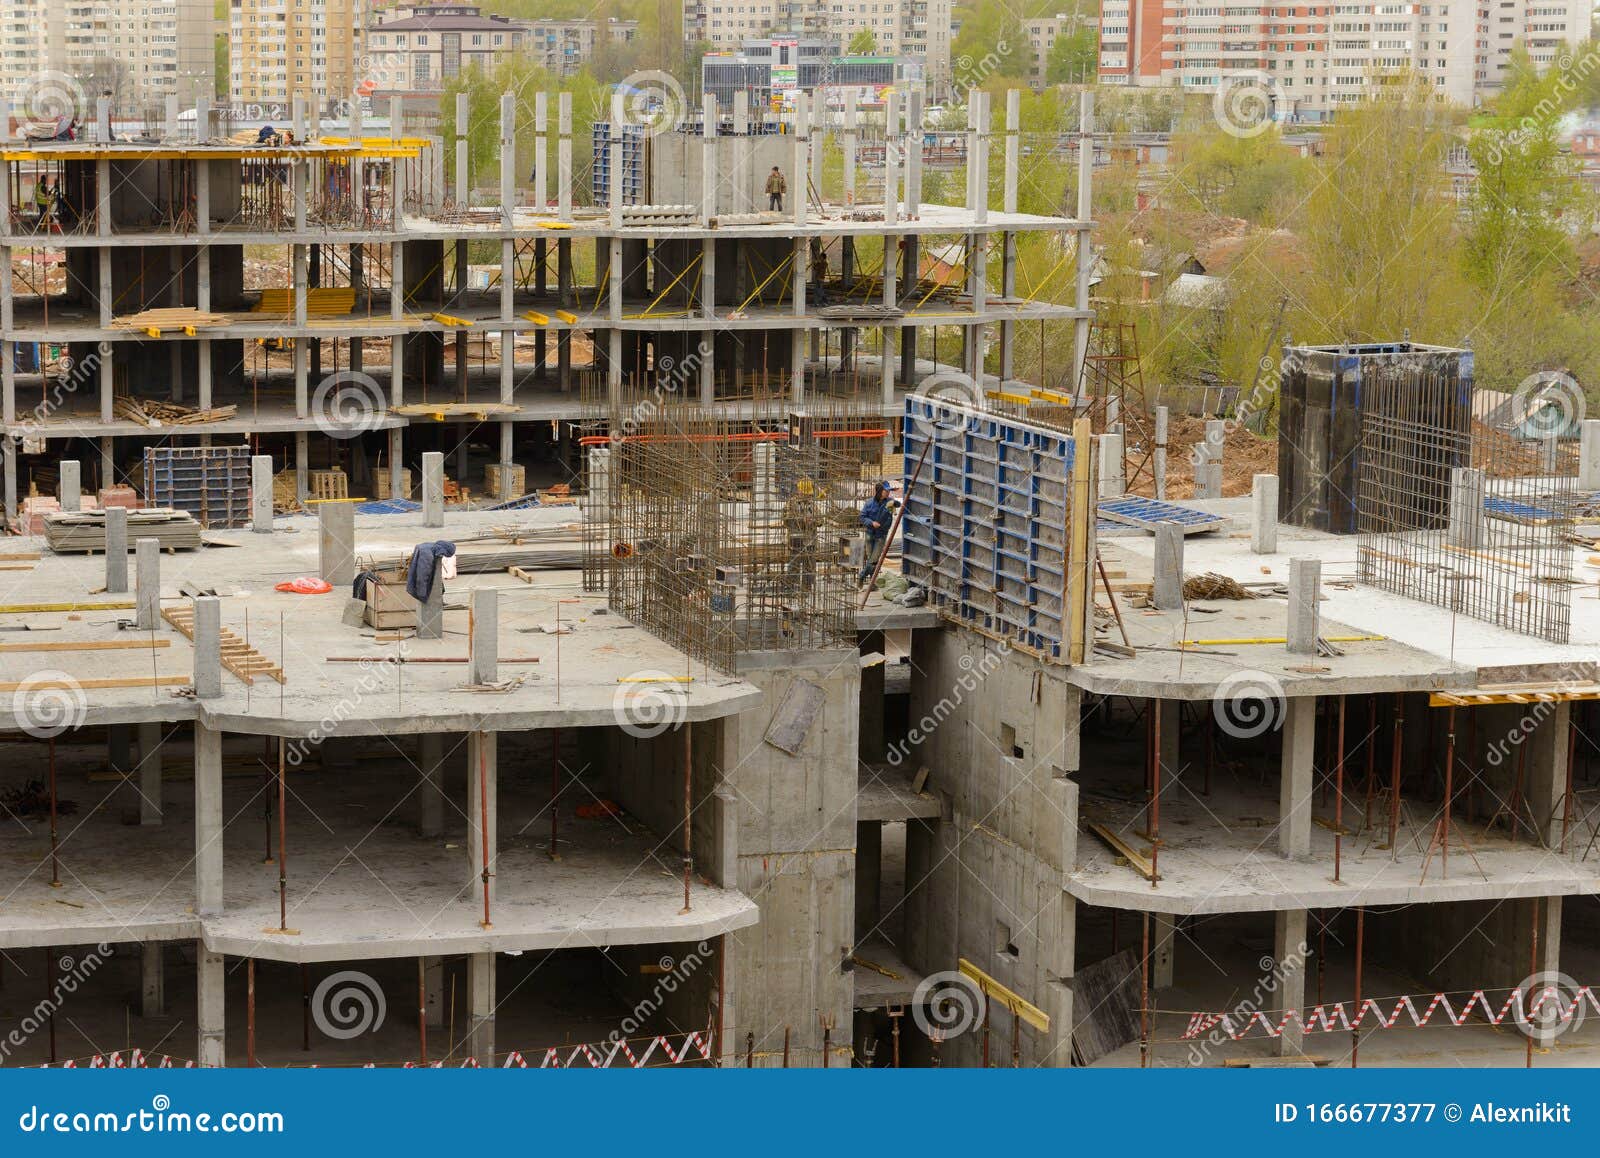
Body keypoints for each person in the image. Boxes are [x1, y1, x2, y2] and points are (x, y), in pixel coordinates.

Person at [858, 481, 898, 587]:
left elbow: (894, 510)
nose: (888, 493)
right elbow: (862, 517)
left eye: (888, 491)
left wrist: (894, 504)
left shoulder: (889, 502)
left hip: (881, 535)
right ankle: (872, 583)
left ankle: (861, 576)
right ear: (879, 492)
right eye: (886, 491)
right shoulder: (869, 503)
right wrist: (871, 523)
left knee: (873, 559)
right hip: (870, 534)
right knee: (872, 560)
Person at [810, 238, 829, 306]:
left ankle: (825, 301)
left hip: (820, 279)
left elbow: (820, 269)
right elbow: (815, 268)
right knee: (816, 291)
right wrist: (815, 264)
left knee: (820, 291)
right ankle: (816, 303)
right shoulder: (820, 263)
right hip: (817, 278)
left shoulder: (824, 263)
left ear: (823, 258)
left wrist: (817, 263)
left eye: (820, 257)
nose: (819, 258)